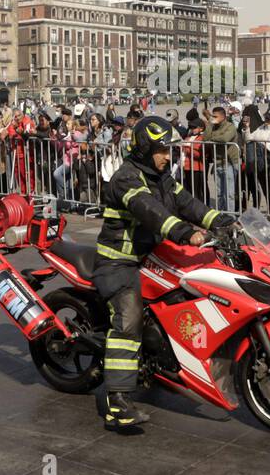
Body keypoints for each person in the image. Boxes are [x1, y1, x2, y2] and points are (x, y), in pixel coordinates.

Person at [92, 116, 229, 431]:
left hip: (151, 257)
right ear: (143, 148)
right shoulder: (126, 178)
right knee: (129, 321)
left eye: (169, 149)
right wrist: (186, 233)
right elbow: (151, 212)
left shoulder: (161, 176)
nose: (168, 155)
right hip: (119, 261)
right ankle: (118, 403)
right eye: (162, 149)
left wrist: (221, 221)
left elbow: (186, 202)